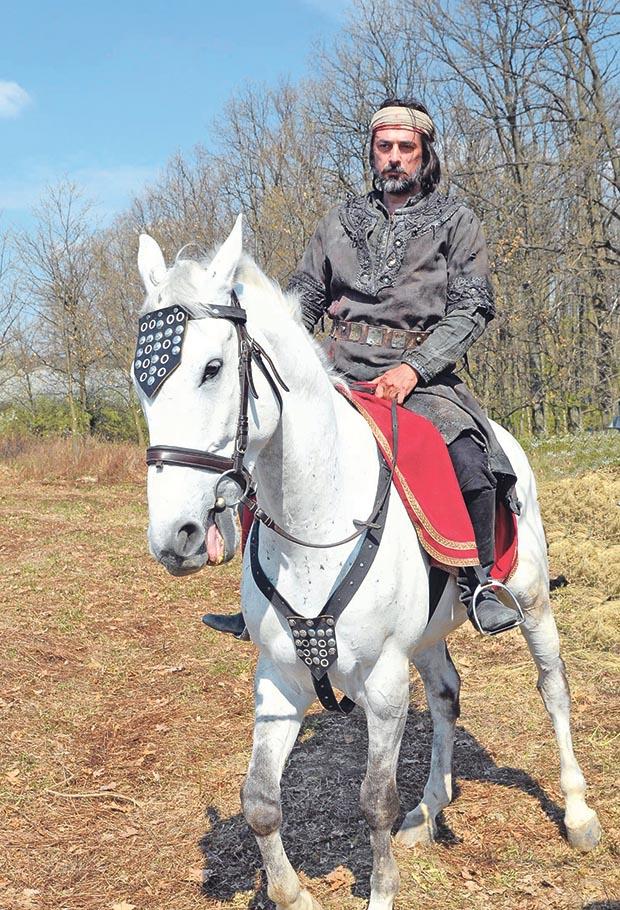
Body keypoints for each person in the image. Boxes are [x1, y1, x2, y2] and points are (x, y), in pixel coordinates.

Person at [203, 97, 521, 639]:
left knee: (469, 455)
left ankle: (478, 583)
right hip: (338, 370)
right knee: (270, 445)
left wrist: (415, 369)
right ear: (371, 153)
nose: (394, 157)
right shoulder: (338, 222)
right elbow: (303, 296)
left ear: (424, 153)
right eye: (384, 147)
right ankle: (257, 592)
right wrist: (285, 344)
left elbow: (472, 307)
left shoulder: (456, 221)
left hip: (419, 377)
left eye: (406, 147)